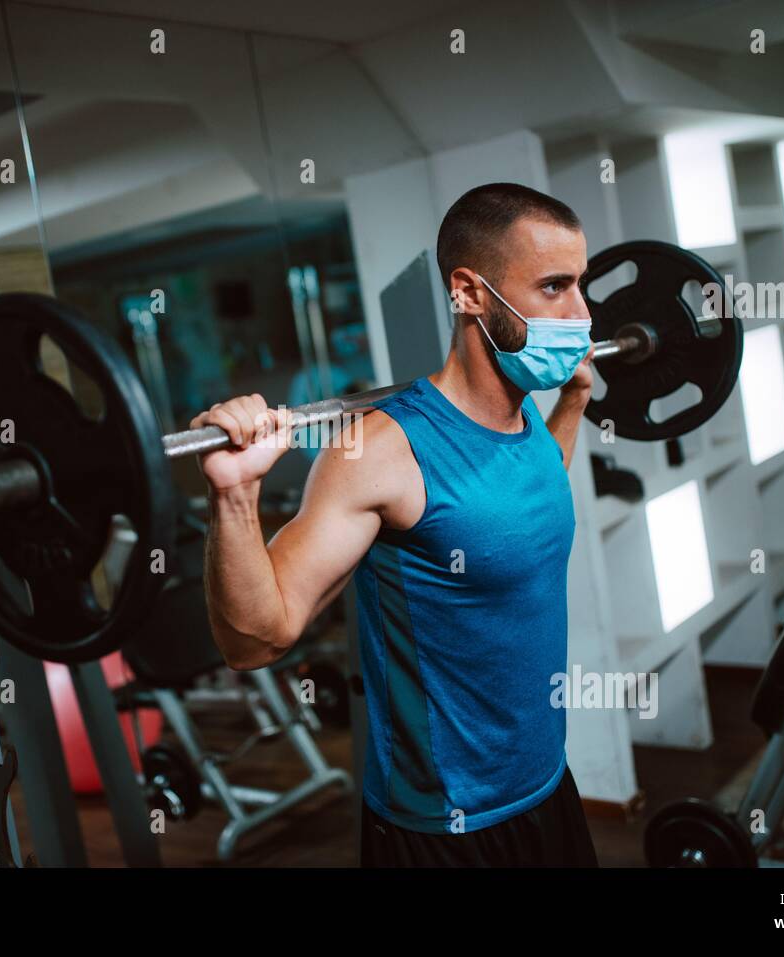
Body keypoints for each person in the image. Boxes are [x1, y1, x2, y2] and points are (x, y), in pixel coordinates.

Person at [190, 183, 599, 866]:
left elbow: (523, 498)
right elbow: (256, 640)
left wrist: (574, 402)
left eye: (580, 284)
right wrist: (237, 496)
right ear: (468, 292)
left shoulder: (526, 415)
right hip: (446, 827)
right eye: (555, 287)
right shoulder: (377, 452)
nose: (582, 314)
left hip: (547, 786)